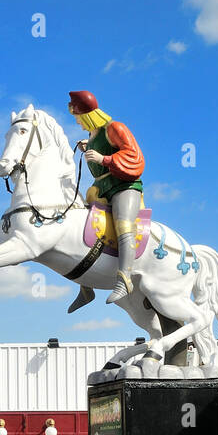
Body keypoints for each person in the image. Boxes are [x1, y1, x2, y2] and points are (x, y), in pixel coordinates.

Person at [68, 90, 145, 306]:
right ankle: (85, 286)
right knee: (79, 225)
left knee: (124, 225)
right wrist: (90, 146)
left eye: (78, 119)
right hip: (100, 188)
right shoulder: (93, 136)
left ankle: (125, 280)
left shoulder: (115, 128)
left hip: (124, 186)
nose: (78, 123)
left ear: (87, 116)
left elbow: (135, 156)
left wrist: (105, 158)